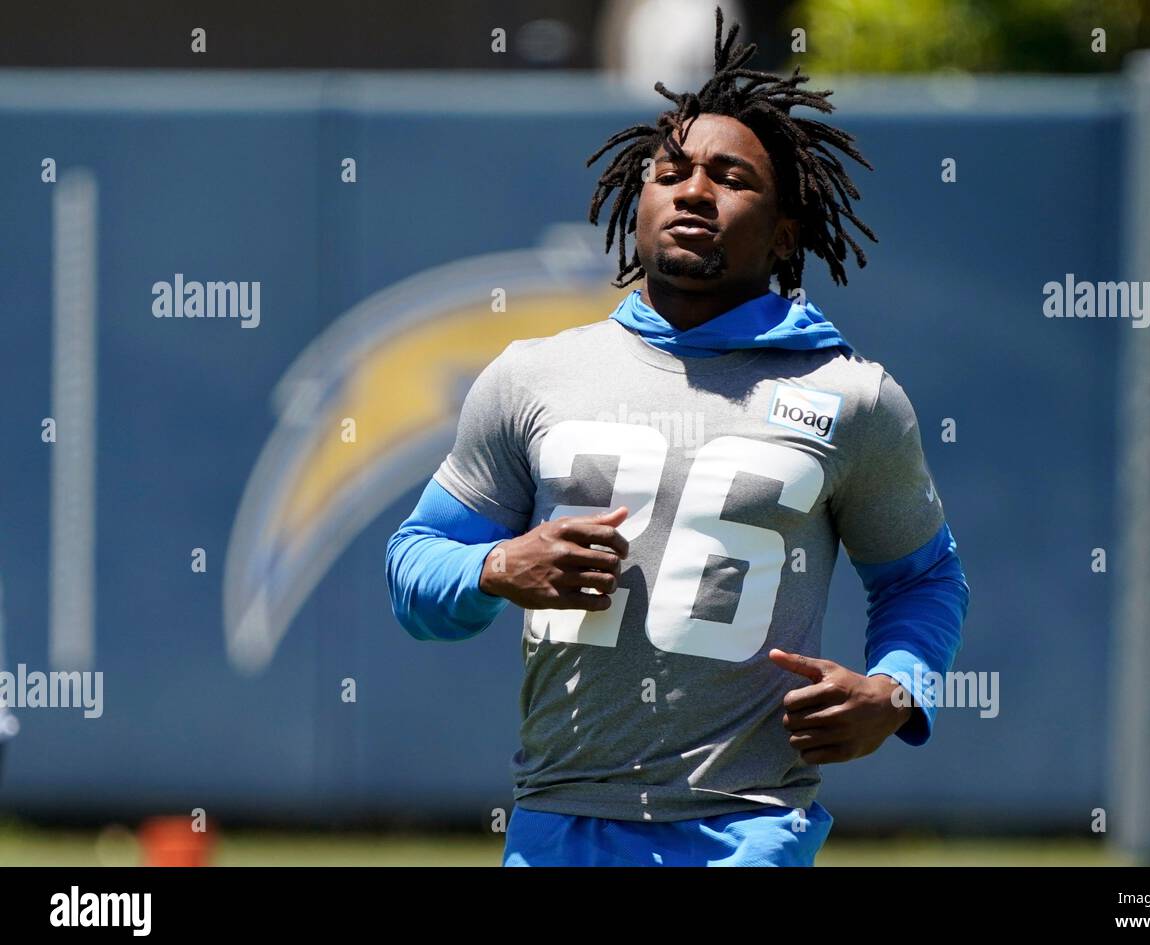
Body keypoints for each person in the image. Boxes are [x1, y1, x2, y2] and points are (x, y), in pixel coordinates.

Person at [386, 6, 969, 866]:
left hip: (746, 826)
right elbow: (413, 569)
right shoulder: (532, 375)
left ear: (785, 232)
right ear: (640, 201)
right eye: (671, 172)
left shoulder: (852, 397)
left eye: (730, 178)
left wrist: (896, 690)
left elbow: (923, 578)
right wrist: (498, 567)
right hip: (558, 823)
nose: (694, 191)